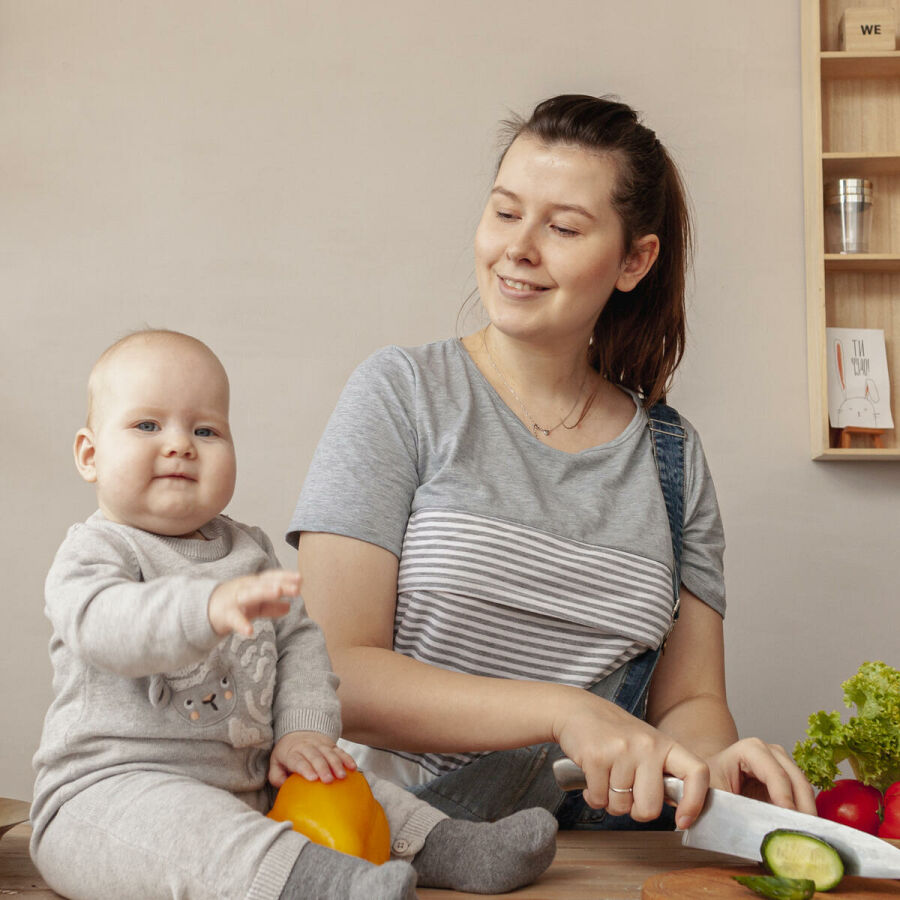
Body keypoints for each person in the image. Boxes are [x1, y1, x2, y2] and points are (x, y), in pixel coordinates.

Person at [288, 95, 817, 831]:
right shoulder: (403, 394)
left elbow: (688, 703)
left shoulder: (672, 458)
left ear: (635, 260)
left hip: (595, 859)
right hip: (392, 843)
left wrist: (712, 767)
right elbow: (333, 672)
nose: (519, 248)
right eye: (505, 212)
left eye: (563, 227)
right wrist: (565, 711)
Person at [29, 329, 557, 900]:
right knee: (202, 836)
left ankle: (450, 845)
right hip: (111, 798)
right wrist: (203, 609)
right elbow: (106, 627)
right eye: (148, 426)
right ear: (90, 454)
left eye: (206, 430)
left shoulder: (247, 550)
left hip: (251, 785)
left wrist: (305, 731)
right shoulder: (96, 551)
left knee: (349, 782)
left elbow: (298, 643)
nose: (180, 444)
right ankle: (326, 885)